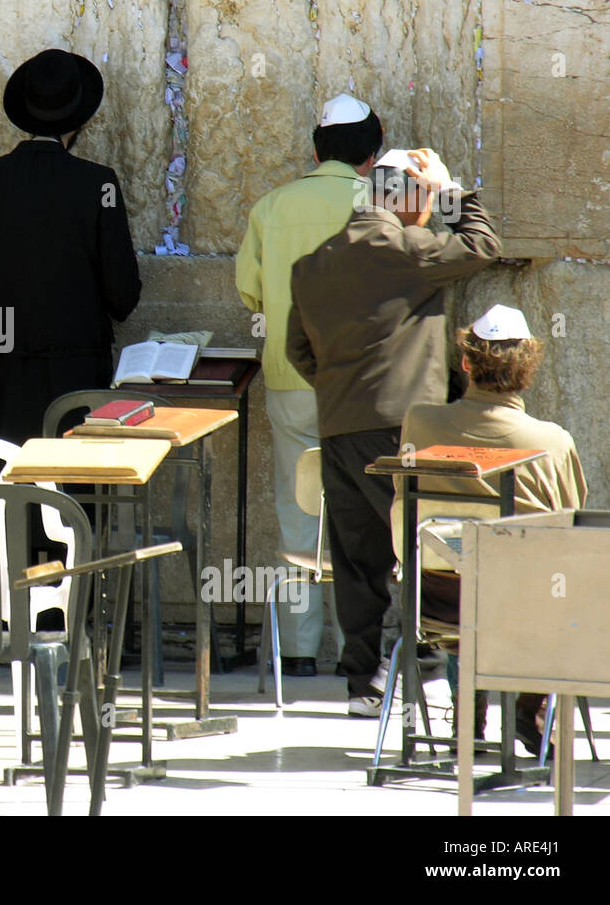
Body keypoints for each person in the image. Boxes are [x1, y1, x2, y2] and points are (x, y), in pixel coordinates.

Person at [285, 148, 501, 715]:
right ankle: (427, 673)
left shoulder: (311, 264)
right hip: (403, 431)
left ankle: (363, 683)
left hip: (338, 428)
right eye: (425, 200)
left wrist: (341, 389)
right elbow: (482, 245)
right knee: (425, 547)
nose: (430, 211)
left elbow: (299, 351)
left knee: (358, 561)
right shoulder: (404, 249)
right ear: (402, 198)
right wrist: (453, 189)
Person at [236, 93, 382, 676]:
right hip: (370, 390)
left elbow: (251, 290)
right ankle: (371, 648)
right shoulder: (384, 204)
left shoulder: (273, 205)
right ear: (372, 155)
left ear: (316, 148)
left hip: (291, 380)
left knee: (299, 515)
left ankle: (297, 652)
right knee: (373, 518)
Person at [398, 303, 586, 753]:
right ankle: (529, 709)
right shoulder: (552, 441)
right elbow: (572, 532)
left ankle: (468, 715)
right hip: (526, 609)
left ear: (466, 362)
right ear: (528, 369)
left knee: (466, 577)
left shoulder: (420, 423)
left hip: (434, 601)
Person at [0, 48, 141, 448]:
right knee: (74, 496)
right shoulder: (99, 184)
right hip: (80, 374)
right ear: (78, 118)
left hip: (5, 371)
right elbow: (122, 295)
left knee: (9, 489)